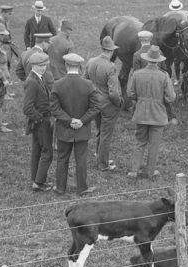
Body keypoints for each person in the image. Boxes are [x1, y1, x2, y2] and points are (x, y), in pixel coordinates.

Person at [50, 53, 102, 196]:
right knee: (81, 160)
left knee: (62, 158)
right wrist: (81, 120)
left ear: (66, 65)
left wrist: (68, 120)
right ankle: (82, 188)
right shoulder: (88, 84)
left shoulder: (57, 84)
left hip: (64, 129)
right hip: (82, 129)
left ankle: (60, 188)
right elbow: (96, 107)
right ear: (79, 66)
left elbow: (54, 108)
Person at [127, 45, 176, 178]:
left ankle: (134, 170)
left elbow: (130, 93)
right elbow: (170, 98)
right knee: (154, 145)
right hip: (158, 115)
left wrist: (140, 100)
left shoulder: (137, 74)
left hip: (140, 112)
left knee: (139, 142)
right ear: (159, 60)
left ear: (147, 59)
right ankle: (150, 172)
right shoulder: (164, 76)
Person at [83, 36, 123, 172]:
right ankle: (103, 164)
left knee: (100, 131)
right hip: (108, 105)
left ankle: (100, 155)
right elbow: (113, 93)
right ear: (111, 51)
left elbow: (85, 81)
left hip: (95, 103)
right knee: (106, 134)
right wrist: (120, 102)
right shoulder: (111, 67)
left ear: (102, 48)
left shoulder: (91, 62)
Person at [22, 52, 54, 192]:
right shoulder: (32, 82)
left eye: (44, 65)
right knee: (47, 151)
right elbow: (27, 108)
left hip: (39, 121)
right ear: (33, 66)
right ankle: (39, 182)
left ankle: (36, 179)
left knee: (37, 151)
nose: (43, 68)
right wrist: (41, 118)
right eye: (40, 66)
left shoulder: (38, 78)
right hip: (41, 121)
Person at [132, 31, 177, 125]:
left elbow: (135, 72)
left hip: (143, 83)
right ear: (151, 39)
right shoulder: (158, 52)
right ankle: (168, 116)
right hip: (158, 81)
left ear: (140, 40)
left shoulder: (137, 54)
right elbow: (164, 69)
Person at [0, 5, 20, 72]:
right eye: (9, 14)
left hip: (6, 49)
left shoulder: (4, 21)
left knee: (7, 68)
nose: (11, 16)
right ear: (3, 13)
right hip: (2, 49)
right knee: (3, 68)